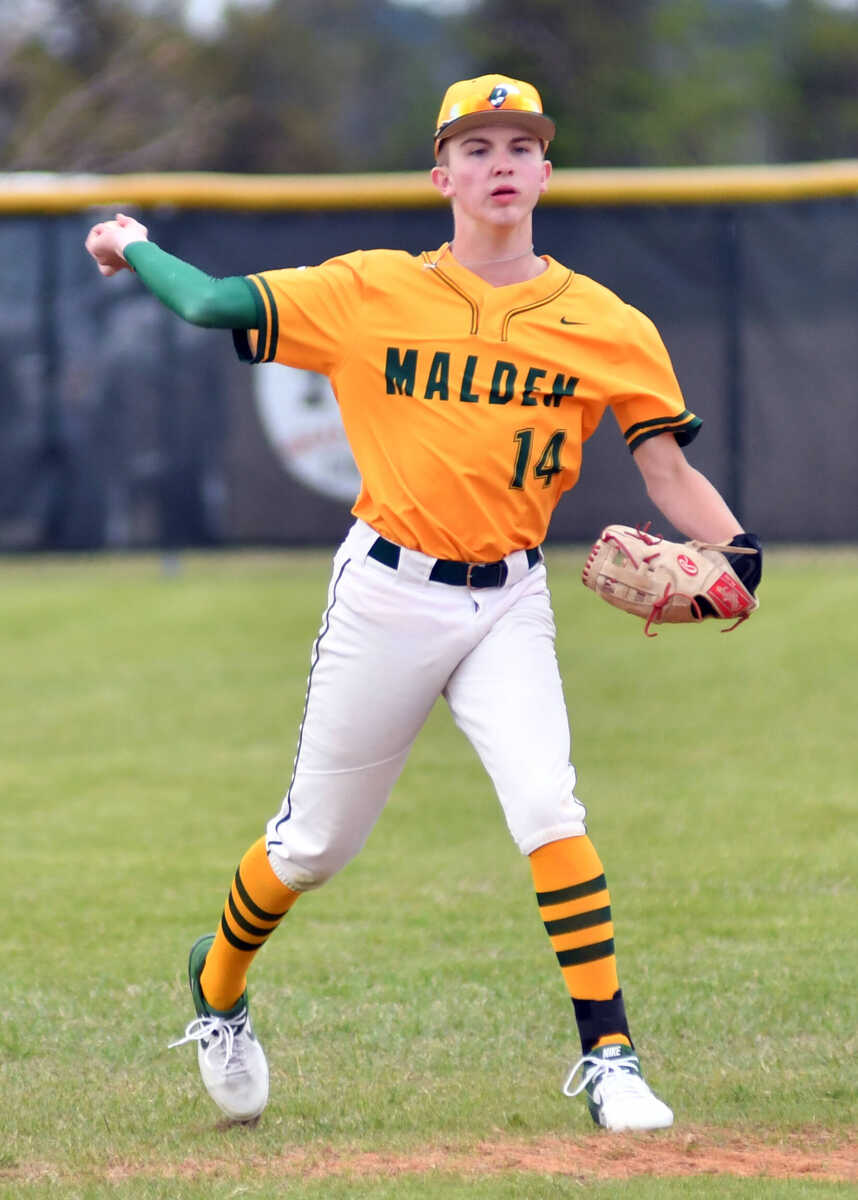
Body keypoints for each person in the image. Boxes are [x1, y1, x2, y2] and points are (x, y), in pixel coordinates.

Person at [85, 74, 762, 1132]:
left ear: (545, 171)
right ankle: (217, 991)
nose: (501, 162)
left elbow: (666, 471)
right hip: (388, 597)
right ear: (441, 174)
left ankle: (613, 1056)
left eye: (520, 145)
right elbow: (215, 304)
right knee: (314, 846)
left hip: (510, 601)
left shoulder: (606, 323)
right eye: (477, 146)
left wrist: (739, 557)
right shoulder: (369, 291)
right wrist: (133, 245)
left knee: (550, 808)